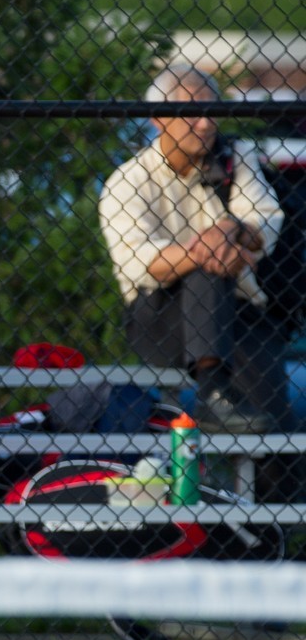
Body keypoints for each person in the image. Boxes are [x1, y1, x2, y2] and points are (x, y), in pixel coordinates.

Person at [99, 65, 284, 437]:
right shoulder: (128, 181)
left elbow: (266, 221)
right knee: (206, 268)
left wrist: (232, 229)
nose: (205, 124)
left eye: (211, 111)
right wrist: (208, 247)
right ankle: (213, 391)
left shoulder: (236, 158)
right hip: (160, 317)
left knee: (276, 422)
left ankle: (274, 490)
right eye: (190, 113)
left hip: (235, 311)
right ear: (158, 119)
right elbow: (143, 263)